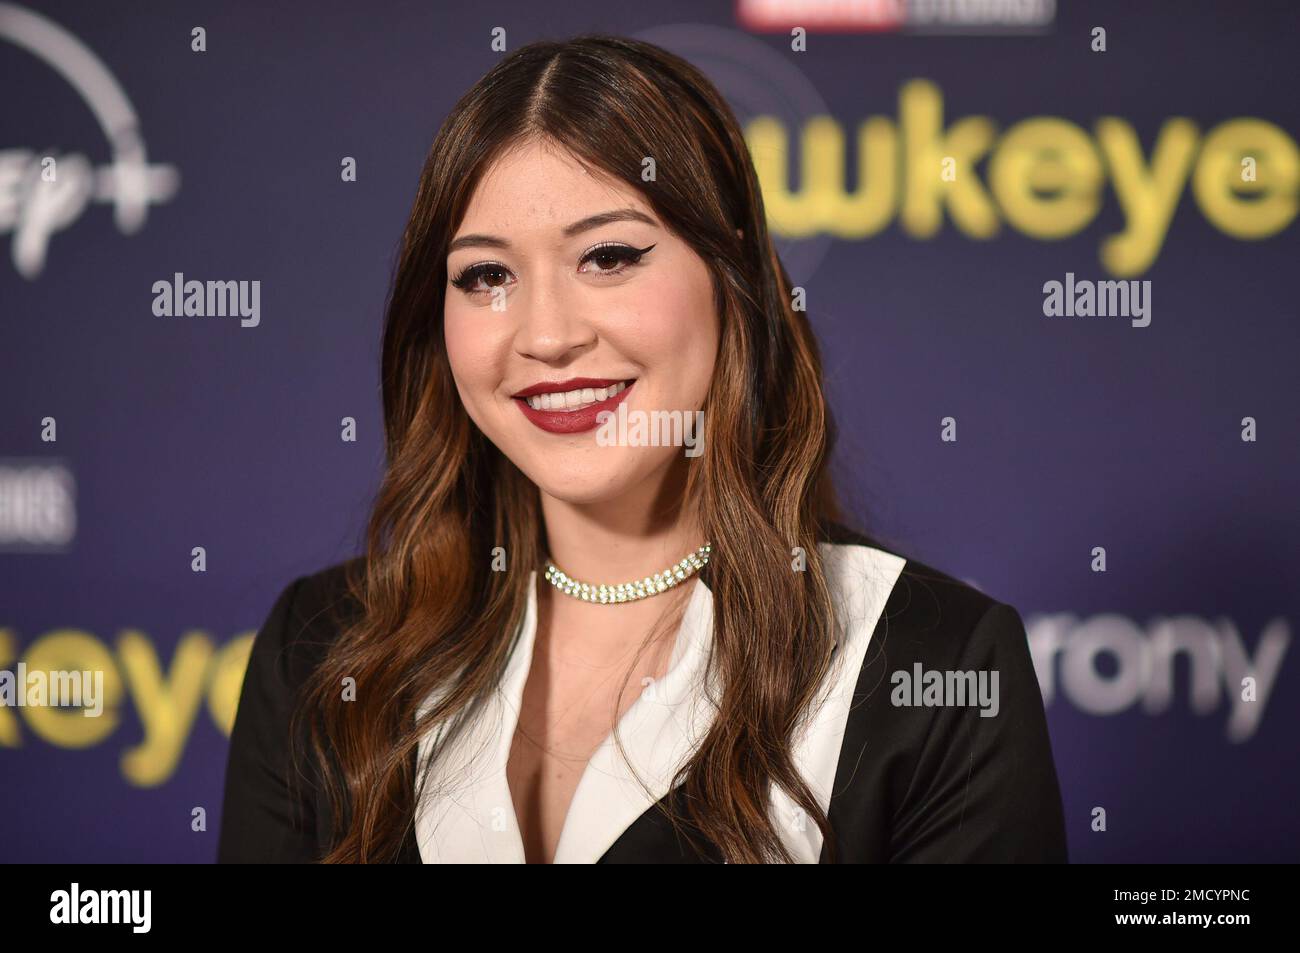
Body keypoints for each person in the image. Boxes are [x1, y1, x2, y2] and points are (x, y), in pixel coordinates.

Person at [217, 33, 1067, 864]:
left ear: (732, 285)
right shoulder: (326, 651)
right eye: (486, 276)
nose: (546, 336)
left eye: (609, 256)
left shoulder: (933, 665)